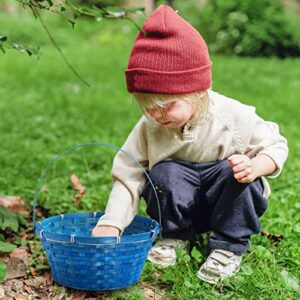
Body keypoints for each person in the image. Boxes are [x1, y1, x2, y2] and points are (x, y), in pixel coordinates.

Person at [91, 5, 288, 284]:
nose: (157, 115)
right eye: (149, 108)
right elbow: (128, 174)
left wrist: (256, 165)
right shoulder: (151, 127)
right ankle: (173, 236)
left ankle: (227, 248)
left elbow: (276, 145)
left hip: (223, 203)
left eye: (166, 106)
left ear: (196, 91)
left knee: (239, 175)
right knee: (163, 174)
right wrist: (111, 222)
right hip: (178, 205)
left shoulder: (231, 116)